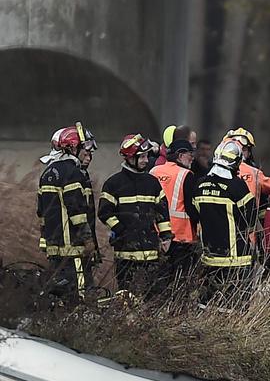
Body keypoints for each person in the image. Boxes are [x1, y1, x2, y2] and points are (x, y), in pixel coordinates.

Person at [98, 135, 171, 296]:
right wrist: (122, 231)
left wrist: (166, 236)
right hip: (125, 254)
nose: (146, 160)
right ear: (130, 158)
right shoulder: (113, 184)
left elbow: (162, 212)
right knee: (127, 296)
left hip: (151, 252)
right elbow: (104, 212)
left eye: (147, 156)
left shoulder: (152, 182)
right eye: (142, 157)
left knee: (151, 296)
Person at [186, 140, 259, 301]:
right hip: (237, 258)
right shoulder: (237, 186)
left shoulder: (200, 185)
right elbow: (251, 217)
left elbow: (194, 213)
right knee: (236, 305)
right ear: (236, 163)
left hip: (210, 257)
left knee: (208, 303)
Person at [36, 124, 99, 298]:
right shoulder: (73, 173)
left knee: (59, 295)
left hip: (55, 250)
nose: (88, 154)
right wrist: (88, 240)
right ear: (72, 147)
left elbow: (41, 213)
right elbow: (77, 212)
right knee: (80, 295)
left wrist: (46, 242)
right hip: (74, 250)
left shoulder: (47, 173)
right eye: (84, 148)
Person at [151, 139, 202, 282]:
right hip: (181, 236)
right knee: (180, 281)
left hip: (156, 234)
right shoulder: (186, 175)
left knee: (159, 280)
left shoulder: (154, 171)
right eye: (189, 154)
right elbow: (191, 208)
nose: (192, 158)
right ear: (180, 155)